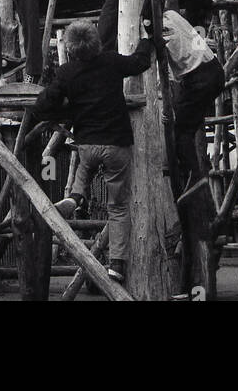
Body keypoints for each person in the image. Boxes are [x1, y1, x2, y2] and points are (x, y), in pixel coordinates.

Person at [32, 19, 153, 286]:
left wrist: (67, 110)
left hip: (87, 143)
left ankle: (75, 197)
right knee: (118, 207)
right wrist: (147, 39)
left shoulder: (66, 73)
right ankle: (117, 264)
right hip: (116, 144)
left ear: (70, 48)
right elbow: (140, 63)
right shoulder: (111, 61)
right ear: (96, 42)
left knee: (84, 169)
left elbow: (42, 106)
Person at [162, 6, 225, 193]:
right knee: (188, 126)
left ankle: (193, 177)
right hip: (214, 70)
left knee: (180, 131)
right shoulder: (172, 15)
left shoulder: (156, 33)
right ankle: (193, 174)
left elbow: (166, 79)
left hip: (198, 78)